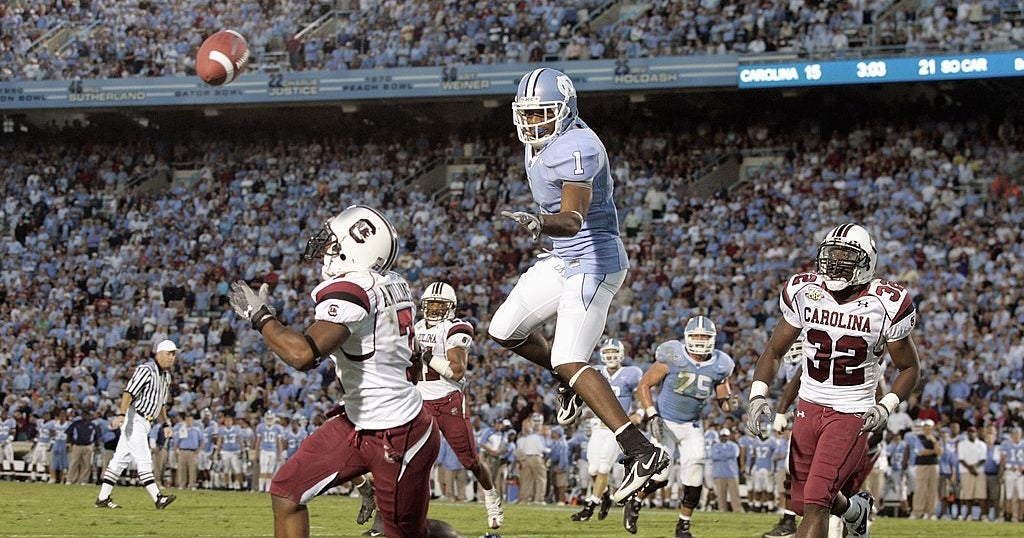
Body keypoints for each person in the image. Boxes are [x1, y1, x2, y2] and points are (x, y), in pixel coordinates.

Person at [489, 66, 667, 504]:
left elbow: (573, 218)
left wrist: (541, 222)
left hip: (594, 258)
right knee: (503, 329)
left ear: (565, 110)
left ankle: (641, 451)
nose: (532, 123)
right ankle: (569, 382)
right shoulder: (547, 141)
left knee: (571, 357)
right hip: (564, 258)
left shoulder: (578, 146)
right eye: (526, 113)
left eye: (542, 113)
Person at [227, 205, 460, 538]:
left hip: (398, 432)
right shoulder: (391, 281)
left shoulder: (355, 289)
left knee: (408, 533)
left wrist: (260, 317)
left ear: (355, 248)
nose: (326, 248)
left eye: (333, 241)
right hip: (360, 421)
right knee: (287, 491)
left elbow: (303, 355)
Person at [746, 223, 922, 538]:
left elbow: (909, 368)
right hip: (809, 405)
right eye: (832, 255)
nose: (835, 264)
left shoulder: (886, 303)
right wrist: (758, 395)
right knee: (804, 499)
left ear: (866, 262)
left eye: (846, 256)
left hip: (851, 411)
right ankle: (857, 511)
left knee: (816, 502)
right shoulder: (804, 291)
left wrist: (886, 406)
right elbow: (774, 351)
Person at [628, 318, 737, 537]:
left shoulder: (720, 364)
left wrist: (730, 403)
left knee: (695, 476)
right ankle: (636, 501)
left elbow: (724, 399)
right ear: (687, 337)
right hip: (665, 422)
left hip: (692, 425)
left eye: (704, 336)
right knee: (660, 476)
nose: (699, 340)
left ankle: (683, 525)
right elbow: (644, 385)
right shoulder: (673, 354)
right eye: (696, 336)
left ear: (712, 339)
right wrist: (652, 414)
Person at [412, 281, 504, 528]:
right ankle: (402, 515)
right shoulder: (414, 326)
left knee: (469, 460)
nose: (432, 309)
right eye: (429, 304)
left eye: (438, 305)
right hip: (418, 402)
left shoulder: (457, 328)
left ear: (450, 307)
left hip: (447, 401)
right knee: (410, 460)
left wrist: (426, 356)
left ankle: (491, 497)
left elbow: (456, 371)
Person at [95, 339, 179, 510]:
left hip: (147, 422)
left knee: (119, 461)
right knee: (144, 459)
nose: (172, 358)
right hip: (136, 419)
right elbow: (129, 392)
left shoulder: (166, 377)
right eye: (169, 354)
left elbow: (161, 405)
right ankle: (158, 497)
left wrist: (165, 425)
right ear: (159, 354)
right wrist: (121, 414)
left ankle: (103, 498)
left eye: (174, 354)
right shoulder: (146, 370)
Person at [571, 338, 643, 523]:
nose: (611, 356)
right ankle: (605, 497)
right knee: (593, 469)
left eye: (614, 352)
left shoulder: (631, 373)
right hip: (597, 426)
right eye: (607, 352)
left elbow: (641, 392)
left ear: (621, 354)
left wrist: (640, 412)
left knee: (604, 466)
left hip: (617, 427)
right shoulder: (595, 372)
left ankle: (589, 507)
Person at [957, 426, 987, 520]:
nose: (972, 433)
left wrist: (975, 467)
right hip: (966, 471)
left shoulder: (982, 444)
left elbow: (983, 459)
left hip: (979, 471)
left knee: (981, 494)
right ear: (967, 433)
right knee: (968, 494)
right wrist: (970, 469)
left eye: (973, 432)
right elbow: (961, 459)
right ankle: (969, 514)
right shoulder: (962, 444)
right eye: (970, 432)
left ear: (976, 433)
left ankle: (982, 515)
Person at [66, 408, 99, 485]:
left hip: (88, 446)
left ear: (89, 416)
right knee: (74, 463)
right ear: (81, 415)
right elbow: (69, 434)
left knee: (86, 464)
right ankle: (70, 479)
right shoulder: (76, 423)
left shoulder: (93, 425)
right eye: (83, 415)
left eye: (86, 415)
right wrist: (68, 444)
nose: (85, 416)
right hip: (77, 445)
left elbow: (96, 437)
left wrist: (96, 446)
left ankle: (83, 480)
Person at [256, 411, 285, 493]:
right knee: (263, 470)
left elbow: (279, 442)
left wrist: (280, 454)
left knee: (270, 471)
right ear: (265, 419)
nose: (269, 420)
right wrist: (257, 453)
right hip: (264, 450)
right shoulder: (260, 427)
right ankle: (261, 489)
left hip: (273, 451)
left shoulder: (277, 428)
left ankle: (267, 489)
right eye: (268, 418)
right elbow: (258, 441)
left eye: (271, 418)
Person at [174, 414, 203, 490]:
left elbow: (202, 441)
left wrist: (199, 450)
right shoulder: (182, 430)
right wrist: (175, 450)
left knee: (192, 469)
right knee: (182, 469)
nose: (188, 422)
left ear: (192, 421)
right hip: (183, 451)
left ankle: (192, 485)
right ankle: (182, 485)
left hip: (192, 452)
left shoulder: (197, 430)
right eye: (187, 420)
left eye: (190, 420)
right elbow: (177, 441)